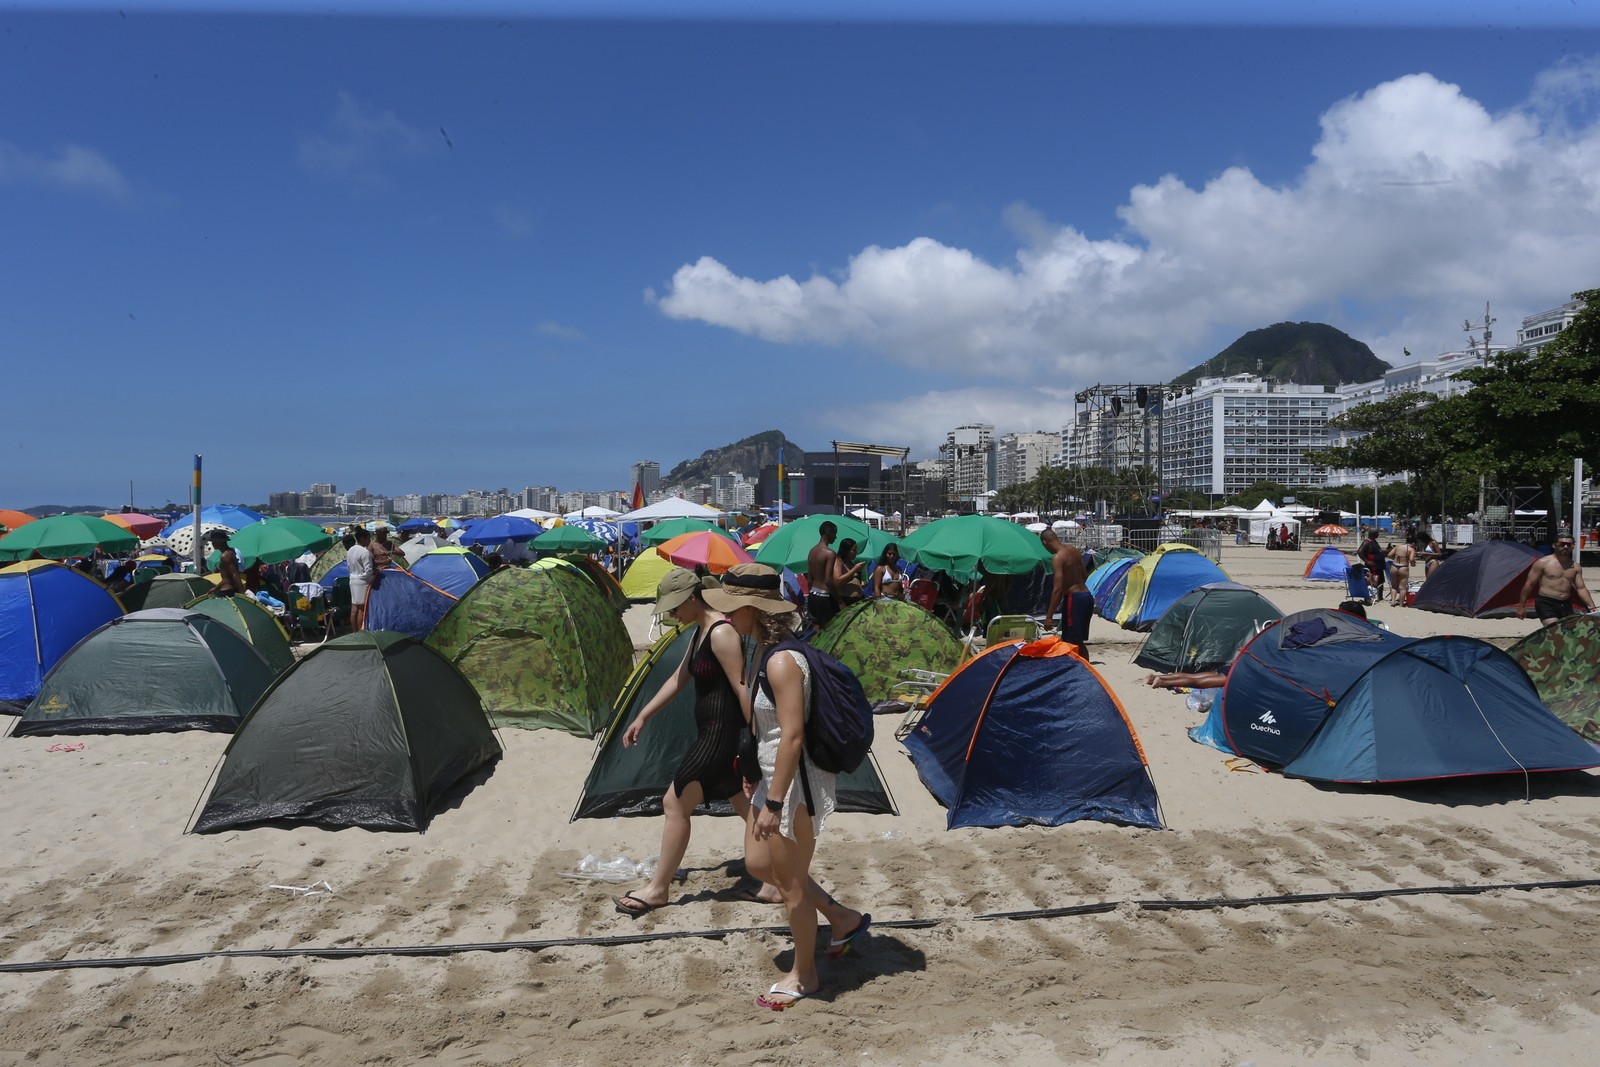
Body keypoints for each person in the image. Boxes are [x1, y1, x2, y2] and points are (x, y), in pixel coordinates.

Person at [702, 564, 870, 1011]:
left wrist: (774, 801)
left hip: (794, 785)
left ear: (750, 608)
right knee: (760, 865)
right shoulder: (763, 650)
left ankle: (805, 976)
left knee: (792, 885)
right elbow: (769, 730)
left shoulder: (781, 660)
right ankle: (842, 916)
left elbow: (792, 735)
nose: (725, 616)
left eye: (730, 607)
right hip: (772, 776)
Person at [615, 569, 780, 915]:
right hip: (710, 730)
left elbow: (741, 689)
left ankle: (658, 889)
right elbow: (679, 678)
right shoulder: (700, 631)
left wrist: (755, 741)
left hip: (720, 734)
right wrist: (643, 715)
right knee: (745, 806)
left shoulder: (721, 633)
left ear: (692, 598)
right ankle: (774, 883)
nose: (671, 614)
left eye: (675, 606)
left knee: (674, 804)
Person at [1517, 535, 1595, 626]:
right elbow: (1529, 585)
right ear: (1554, 545)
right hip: (1546, 603)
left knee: (1568, 632)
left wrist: (1592, 605)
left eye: (1569, 544)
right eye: (1562, 544)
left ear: (1573, 546)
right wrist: (1521, 606)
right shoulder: (1543, 563)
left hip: (1566, 604)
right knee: (1554, 629)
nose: (1565, 547)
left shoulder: (1575, 567)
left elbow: (1581, 588)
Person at [1040, 529, 1092, 657]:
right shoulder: (1073, 550)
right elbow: (1085, 575)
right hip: (1086, 597)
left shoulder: (1058, 558)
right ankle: (1084, 668)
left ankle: (1080, 670)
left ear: (1045, 542)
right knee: (1077, 640)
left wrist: (1049, 616)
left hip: (1074, 599)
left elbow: (1057, 589)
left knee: (1072, 641)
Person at [805, 521, 840, 628]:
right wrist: (840, 601)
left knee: (817, 632)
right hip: (824, 596)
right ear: (828, 533)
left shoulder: (812, 551)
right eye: (835, 533)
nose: (836, 537)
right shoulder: (830, 553)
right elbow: (828, 580)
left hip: (812, 595)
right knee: (830, 630)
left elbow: (809, 580)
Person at [347, 527, 375, 631]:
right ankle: (360, 630)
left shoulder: (350, 550)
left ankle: (354, 630)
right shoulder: (364, 552)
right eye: (368, 538)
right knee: (362, 609)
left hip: (352, 579)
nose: (369, 541)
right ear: (363, 538)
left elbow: (348, 566)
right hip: (362, 581)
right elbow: (368, 571)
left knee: (354, 608)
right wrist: (374, 573)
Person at [833, 538, 867, 607]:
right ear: (846, 550)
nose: (856, 552)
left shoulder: (850, 563)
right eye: (853, 550)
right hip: (847, 600)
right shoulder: (838, 561)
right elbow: (837, 581)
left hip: (858, 599)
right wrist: (855, 569)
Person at [210, 531, 245, 597]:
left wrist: (242, 593)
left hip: (227, 592)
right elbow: (227, 578)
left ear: (219, 542)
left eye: (213, 541)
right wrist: (215, 588)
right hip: (228, 589)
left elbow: (235, 574)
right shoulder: (231, 552)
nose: (212, 543)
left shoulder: (226, 555)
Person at [1357, 529, 1386, 604]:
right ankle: (1369, 597)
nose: (1378, 535)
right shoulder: (1367, 542)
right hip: (1372, 566)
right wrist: (1367, 561)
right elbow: (1360, 551)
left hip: (1379, 565)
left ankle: (1380, 597)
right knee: (1372, 581)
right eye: (1377, 533)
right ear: (1373, 534)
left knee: (1381, 580)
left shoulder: (1374, 541)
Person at [1386, 538, 1416, 606]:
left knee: (1394, 586)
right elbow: (1411, 559)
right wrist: (1413, 563)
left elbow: (1389, 555)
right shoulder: (1411, 549)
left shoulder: (1398, 547)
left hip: (1394, 566)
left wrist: (1395, 559)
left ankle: (1393, 601)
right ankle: (1401, 604)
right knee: (1402, 587)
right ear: (1413, 543)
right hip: (1403, 567)